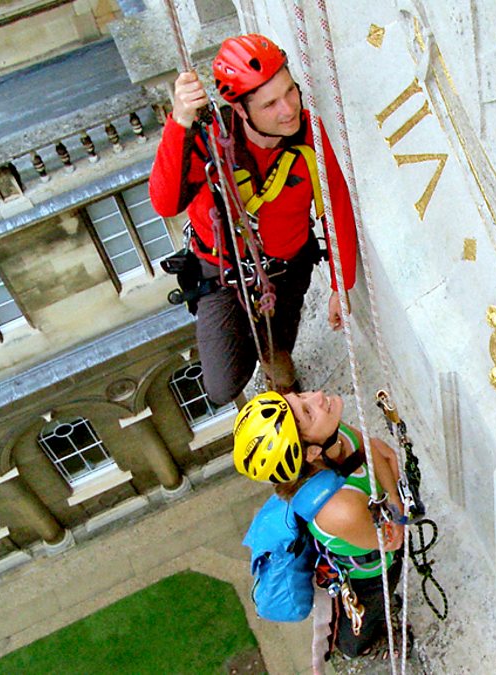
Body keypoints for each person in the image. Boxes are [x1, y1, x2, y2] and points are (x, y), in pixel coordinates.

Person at [149, 34, 358, 404]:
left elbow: (336, 206)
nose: (288, 109)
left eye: (290, 92)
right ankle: (257, 348)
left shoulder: (309, 136)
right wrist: (180, 121)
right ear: (241, 111)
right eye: (270, 104)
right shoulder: (210, 142)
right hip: (222, 273)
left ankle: (280, 374)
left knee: (279, 346)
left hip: (287, 269)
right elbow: (165, 202)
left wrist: (341, 284)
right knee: (222, 387)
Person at [233, 389, 406, 658]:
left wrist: (393, 497)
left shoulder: (330, 437)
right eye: (308, 411)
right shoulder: (339, 510)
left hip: (368, 538)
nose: (316, 396)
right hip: (369, 574)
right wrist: (398, 505)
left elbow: (373, 450)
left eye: (301, 396)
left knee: (374, 604)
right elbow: (392, 541)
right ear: (312, 452)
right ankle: (355, 647)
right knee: (366, 613)